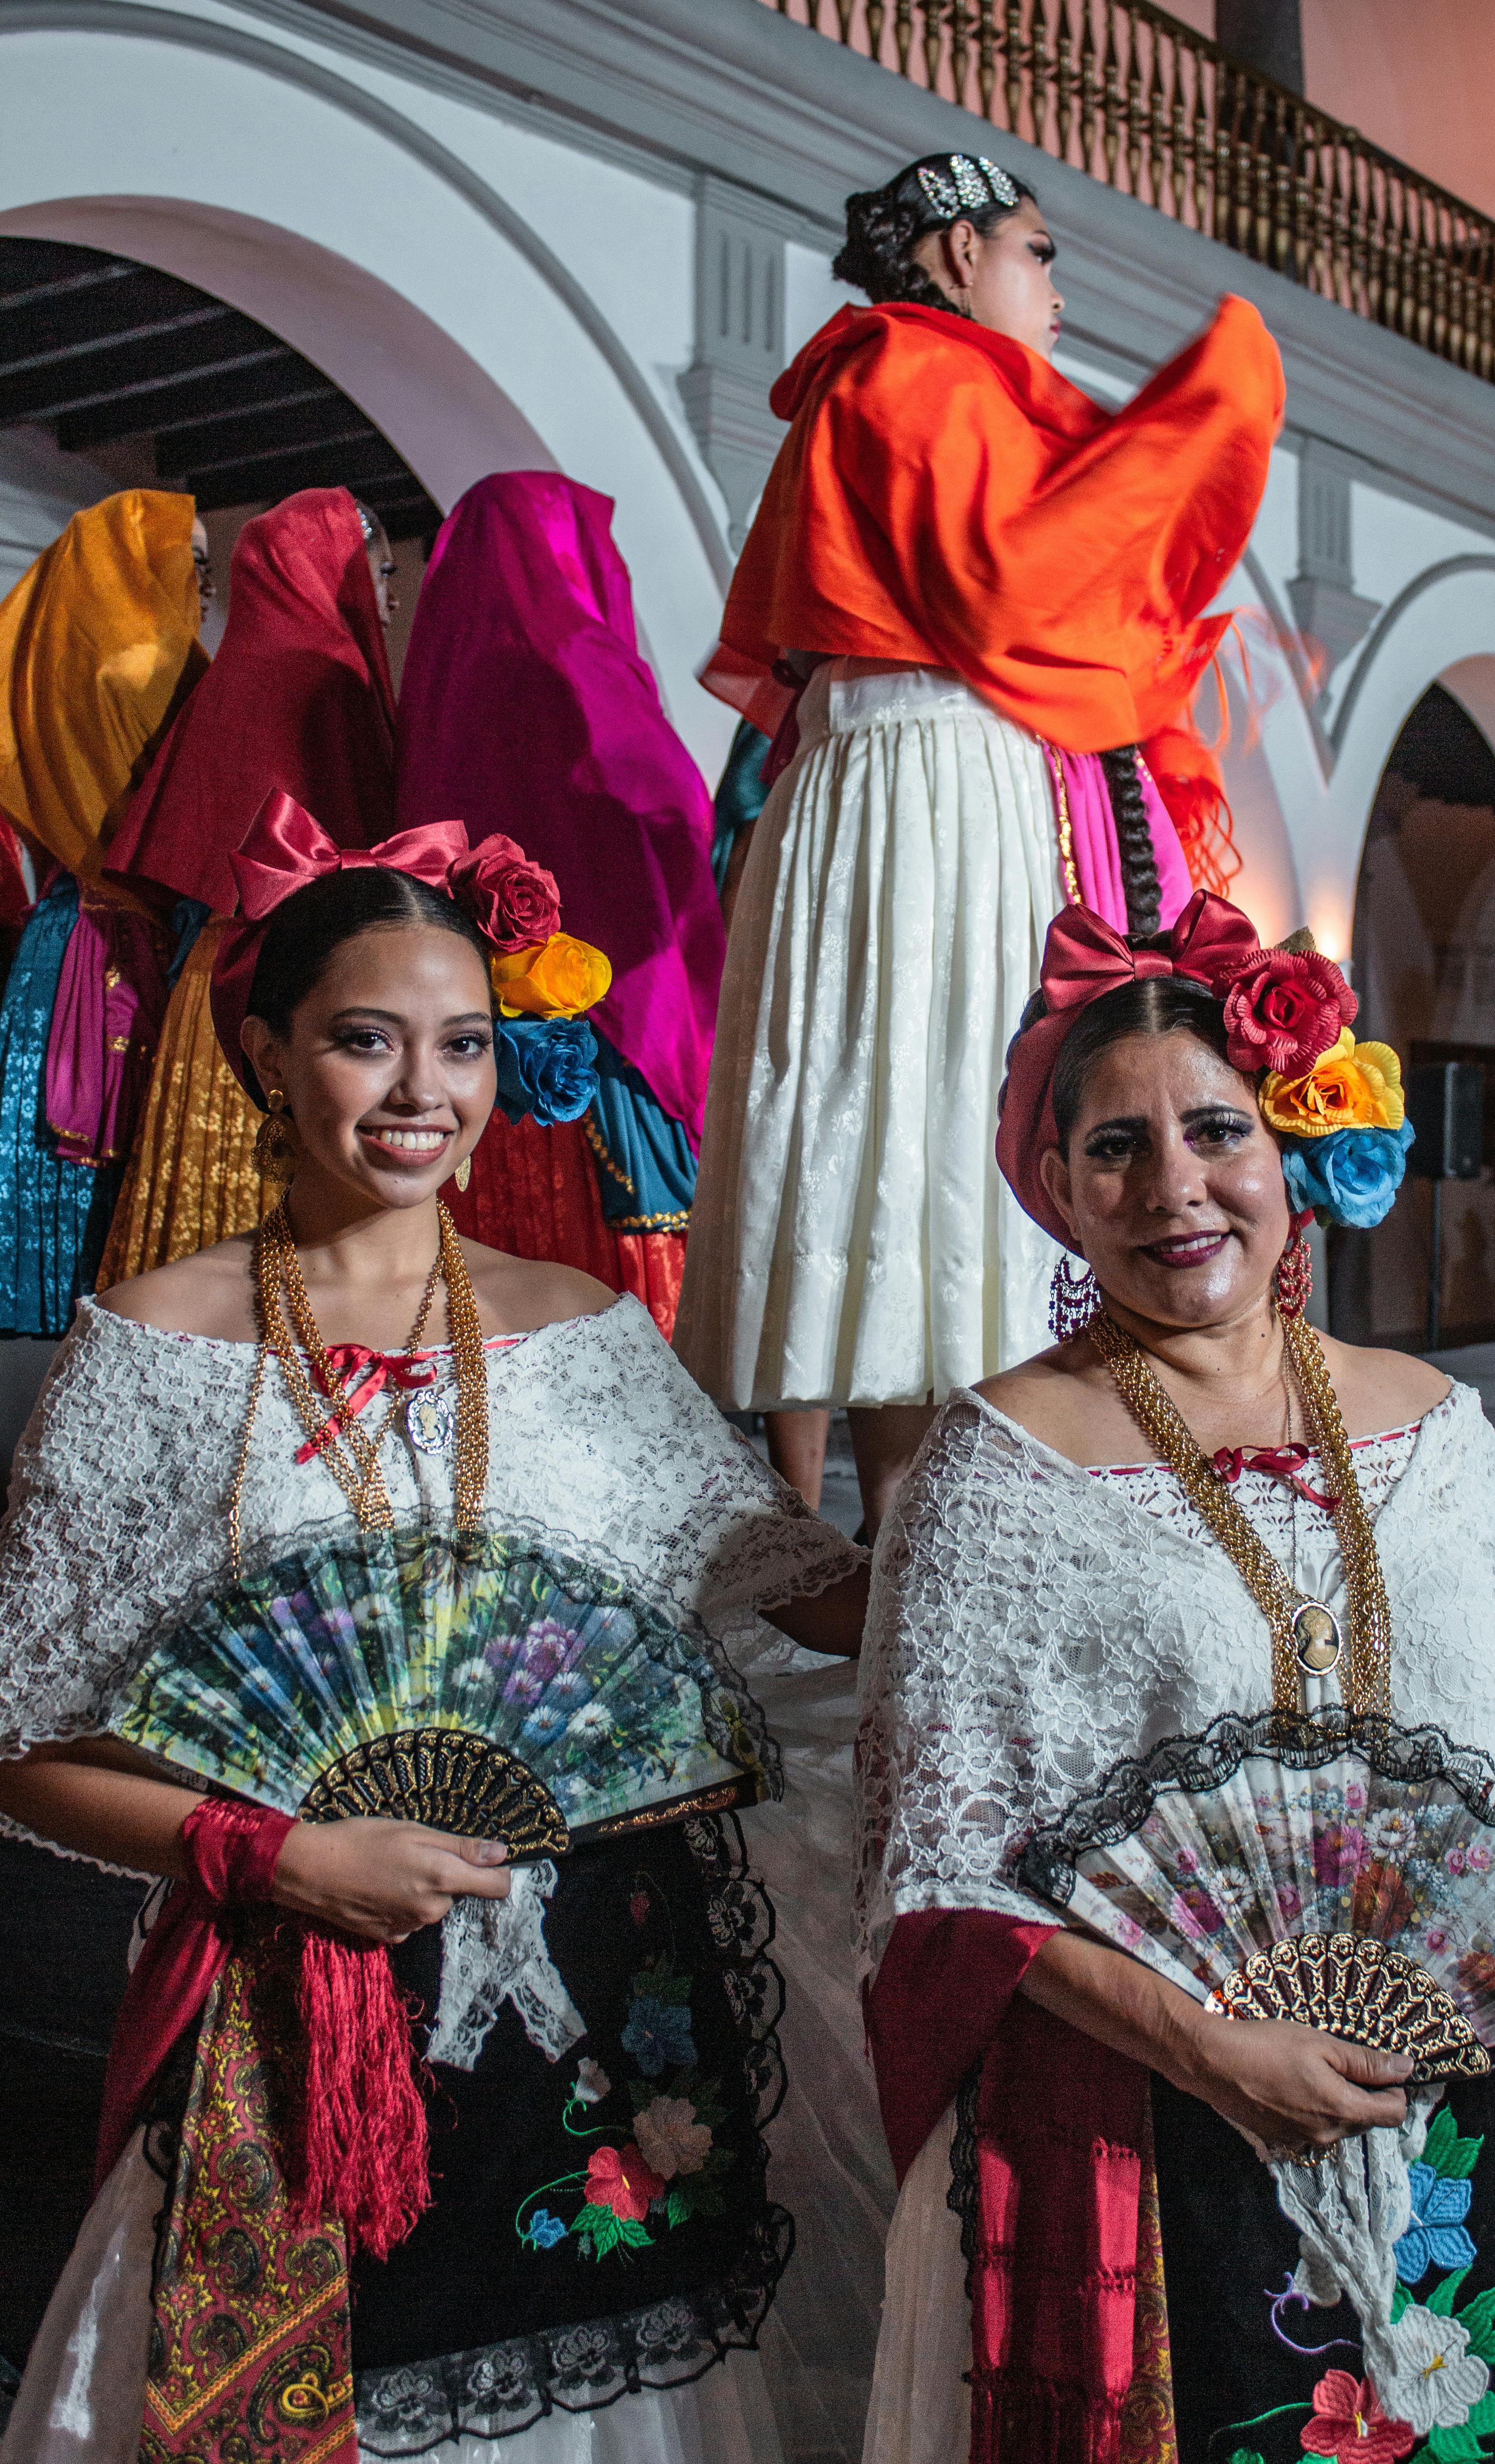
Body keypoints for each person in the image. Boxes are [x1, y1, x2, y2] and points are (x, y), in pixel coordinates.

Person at [0, 799, 878, 2464]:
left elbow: (799, 1593)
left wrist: (1052, 1505)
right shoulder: (143, 1348)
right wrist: (271, 1857)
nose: (424, 1092)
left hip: (603, 2019)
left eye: (463, 1043)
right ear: (265, 1054)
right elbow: (27, 1748)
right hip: (278, 2004)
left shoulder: (586, 1331)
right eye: (365, 1039)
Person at [854, 891, 1495, 2462]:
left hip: (1456, 2096)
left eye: (1216, 1130)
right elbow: (941, 1882)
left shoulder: (1428, 1416)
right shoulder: (992, 1467)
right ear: (1055, 1188)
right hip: (1162, 2121)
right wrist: (1215, 2050)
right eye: (1114, 1150)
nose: (1174, 1190)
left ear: (1291, 1141)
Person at [676, 149, 1284, 1531]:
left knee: (930, 1123)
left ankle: (924, 1530)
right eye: (1037, 251)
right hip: (927, 783)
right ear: (957, 257)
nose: (1056, 288)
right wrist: (1201, 419)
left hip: (920, 777)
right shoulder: (920, 374)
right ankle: (916, 1536)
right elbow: (1014, 585)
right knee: (933, 1113)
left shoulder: (911, 382)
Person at [393, 471, 724, 1343]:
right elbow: (672, 824)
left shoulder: (439, 679)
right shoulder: (583, 662)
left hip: (466, 1052)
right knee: (623, 1315)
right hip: (598, 1048)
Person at [95, 488, 397, 1286]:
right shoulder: (328, 677)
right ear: (332, 564)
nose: (389, 593)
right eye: (376, 567)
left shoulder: (229, 679)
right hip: (311, 980)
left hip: (213, 980)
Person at [0, 491, 208, 1337]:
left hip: (58, 934)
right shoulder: (150, 663)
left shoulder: (44, 650)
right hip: (130, 934)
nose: (203, 581)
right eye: (189, 560)